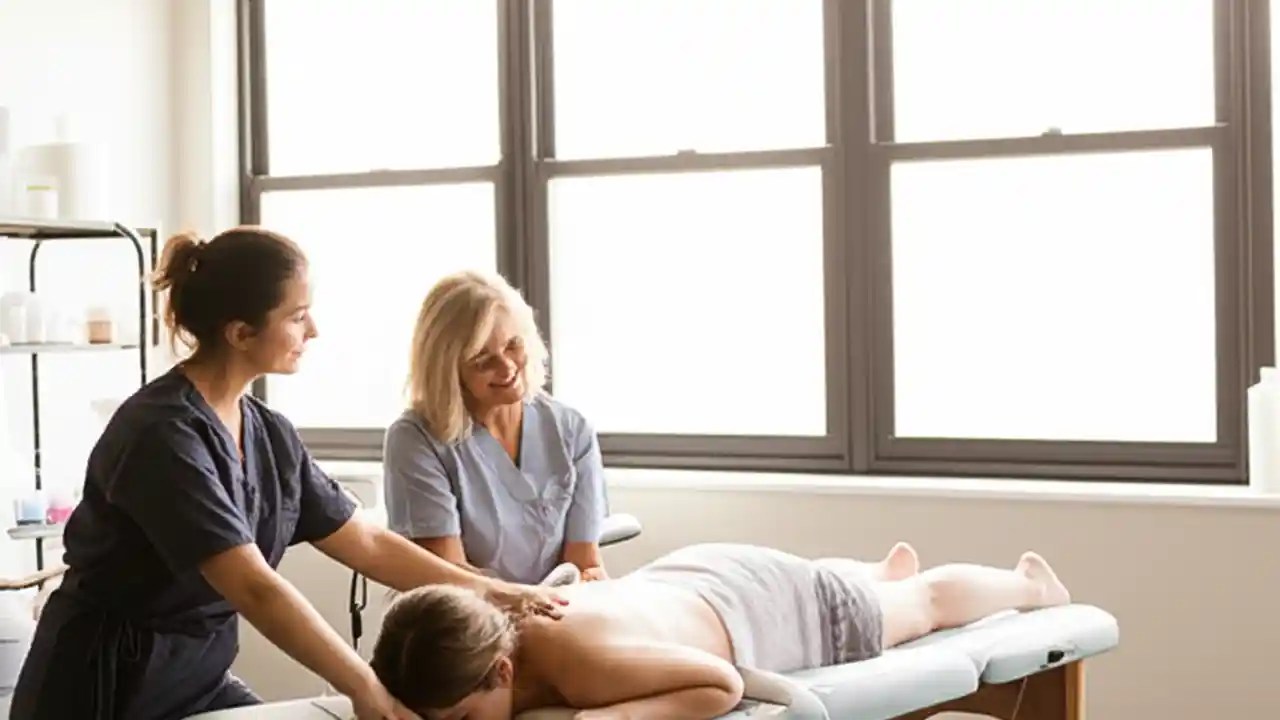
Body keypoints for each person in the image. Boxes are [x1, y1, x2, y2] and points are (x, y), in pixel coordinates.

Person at [11, 228, 564, 720]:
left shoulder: (267, 431)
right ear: (240, 333)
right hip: (102, 688)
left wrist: (495, 592)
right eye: (297, 316)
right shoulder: (163, 436)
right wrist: (364, 689)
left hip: (197, 680)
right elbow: (255, 587)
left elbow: (366, 542)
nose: (314, 329)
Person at [370, 541, 1073, 720]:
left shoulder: (587, 668)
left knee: (922, 604)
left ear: (501, 672)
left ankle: (1029, 582)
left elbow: (719, 684)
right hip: (693, 581)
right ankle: (875, 571)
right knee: (855, 588)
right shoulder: (454, 662)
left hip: (766, 605)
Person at [383, 270, 609, 585]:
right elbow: (450, 584)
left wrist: (590, 589)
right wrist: (529, 605)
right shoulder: (416, 441)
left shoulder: (571, 429)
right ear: (449, 369)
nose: (507, 367)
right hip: (469, 621)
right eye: (482, 360)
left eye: (512, 345)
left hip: (557, 612)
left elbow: (583, 565)